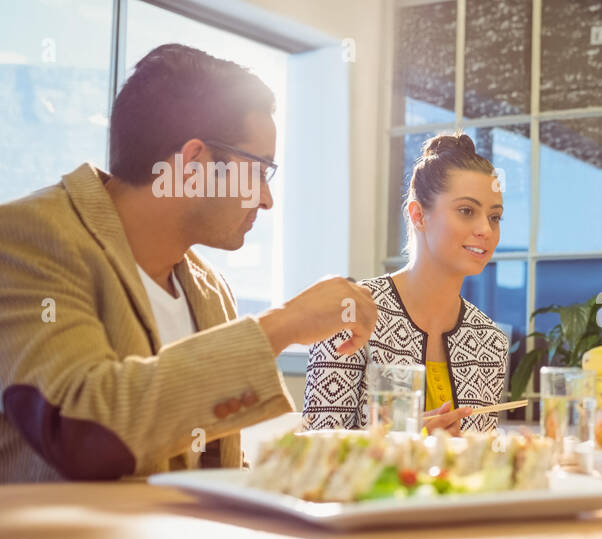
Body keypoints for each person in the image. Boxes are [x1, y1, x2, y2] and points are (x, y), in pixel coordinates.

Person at [0, 44, 377, 483]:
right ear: (194, 162)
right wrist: (283, 325)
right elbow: (83, 430)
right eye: (258, 171)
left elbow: (210, 475)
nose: (267, 199)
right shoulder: (29, 238)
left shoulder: (209, 289)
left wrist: (358, 461)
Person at [303, 134, 508, 434]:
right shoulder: (349, 314)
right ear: (418, 215)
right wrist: (411, 441)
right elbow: (315, 452)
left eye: (495, 217)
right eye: (466, 211)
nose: (485, 230)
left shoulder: (491, 343)